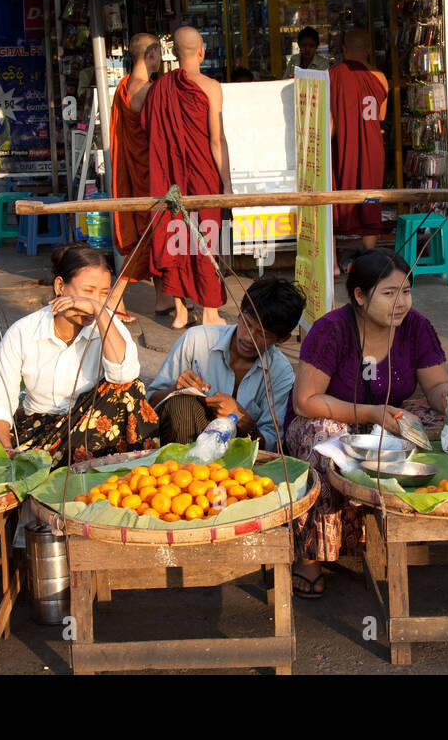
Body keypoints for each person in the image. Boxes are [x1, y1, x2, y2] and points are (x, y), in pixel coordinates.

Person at [285, 249, 448, 598]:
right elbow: (306, 401)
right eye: (389, 293)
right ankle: (311, 554)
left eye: (406, 291)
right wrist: (371, 413)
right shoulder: (331, 330)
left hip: (384, 419)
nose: (401, 302)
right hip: (333, 419)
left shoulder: (415, 326)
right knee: (321, 438)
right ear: (359, 295)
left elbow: (434, 386)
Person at [0, 244, 157, 464]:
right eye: (87, 292)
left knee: (129, 388)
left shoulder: (108, 323)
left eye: (104, 294)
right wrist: (5, 450)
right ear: (60, 286)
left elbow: (124, 375)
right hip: (42, 436)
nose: (94, 301)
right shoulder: (23, 332)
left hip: (94, 433)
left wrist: (98, 311)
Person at [148, 277, 305, 448]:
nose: (248, 337)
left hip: (238, 466)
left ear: (282, 338)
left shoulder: (280, 372)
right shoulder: (196, 340)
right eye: (246, 324)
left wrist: (243, 422)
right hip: (182, 460)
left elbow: (273, 444)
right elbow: (149, 406)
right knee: (181, 405)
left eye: (263, 334)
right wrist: (175, 390)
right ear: (240, 312)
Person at [144, 26, 232, 330]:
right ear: (202, 51)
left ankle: (181, 311)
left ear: (175, 54)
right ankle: (209, 312)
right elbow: (216, 140)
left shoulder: (158, 90)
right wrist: (228, 184)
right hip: (204, 173)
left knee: (175, 234)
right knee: (206, 235)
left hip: (170, 179)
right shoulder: (210, 87)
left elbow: (152, 137)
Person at [110, 33, 164, 316]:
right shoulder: (149, 91)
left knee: (153, 236)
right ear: (152, 53)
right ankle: (114, 297)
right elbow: (160, 138)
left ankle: (163, 298)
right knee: (147, 237)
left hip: (133, 172)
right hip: (149, 175)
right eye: (160, 52)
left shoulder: (125, 86)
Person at [329, 28, 389, 259]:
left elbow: (328, 119)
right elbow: (381, 116)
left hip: (342, 146)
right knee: (371, 197)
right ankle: (370, 256)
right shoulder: (380, 78)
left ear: (344, 50)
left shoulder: (332, 75)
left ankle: (333, 262)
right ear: (368, 50)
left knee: (333, 198)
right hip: (372, 147)